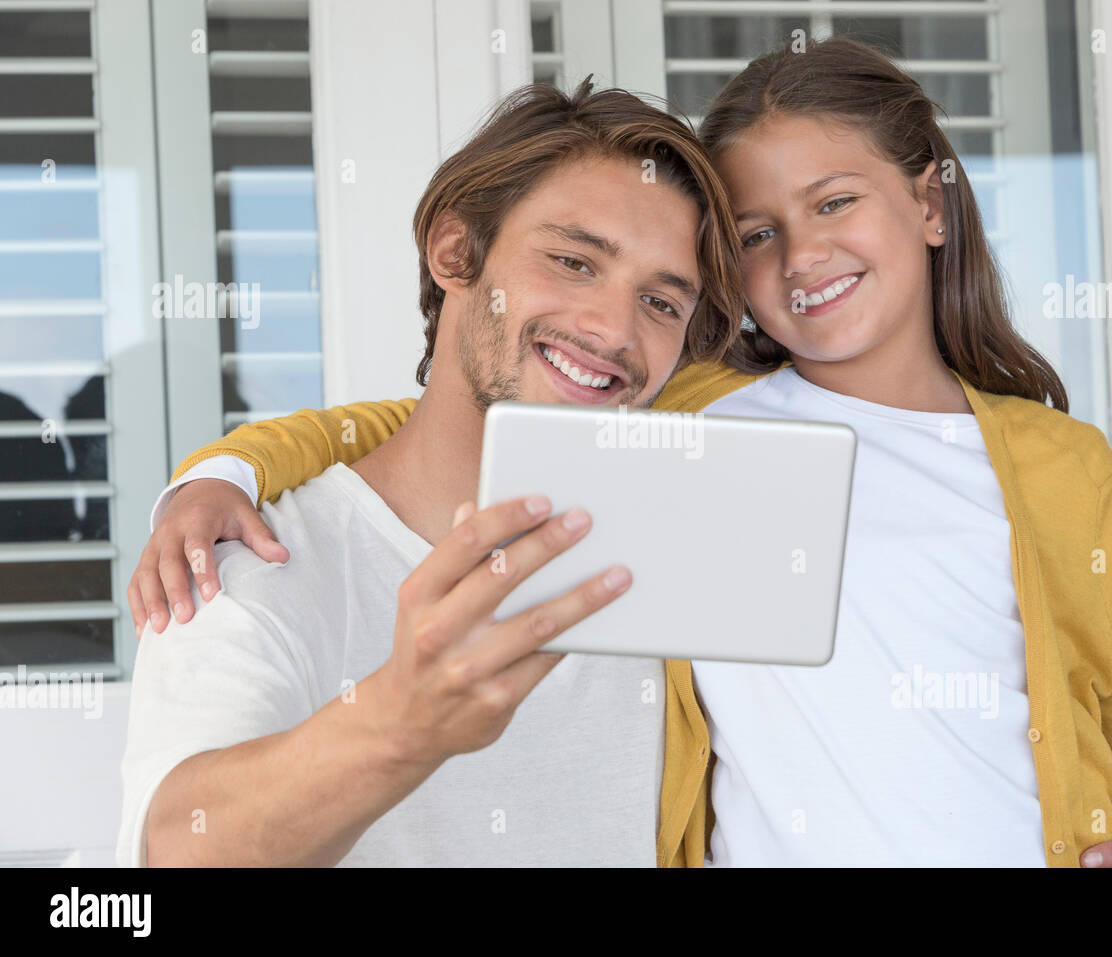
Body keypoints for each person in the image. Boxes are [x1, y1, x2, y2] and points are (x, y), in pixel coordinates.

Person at [128, 41, 1112, 867]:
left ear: (929, 205)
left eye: (661, 298)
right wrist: (224, 470)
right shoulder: (689, 424)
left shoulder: (1060, 465)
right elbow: (432, 418)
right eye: (755, 236)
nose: (615, 332)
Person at [116, 78, 743, 866]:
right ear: (455, 252)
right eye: (573, 261)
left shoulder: (678, 563)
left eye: (660, 303)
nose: (614, 328)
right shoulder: (252, 561)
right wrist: (400, 721)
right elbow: (174, 847)